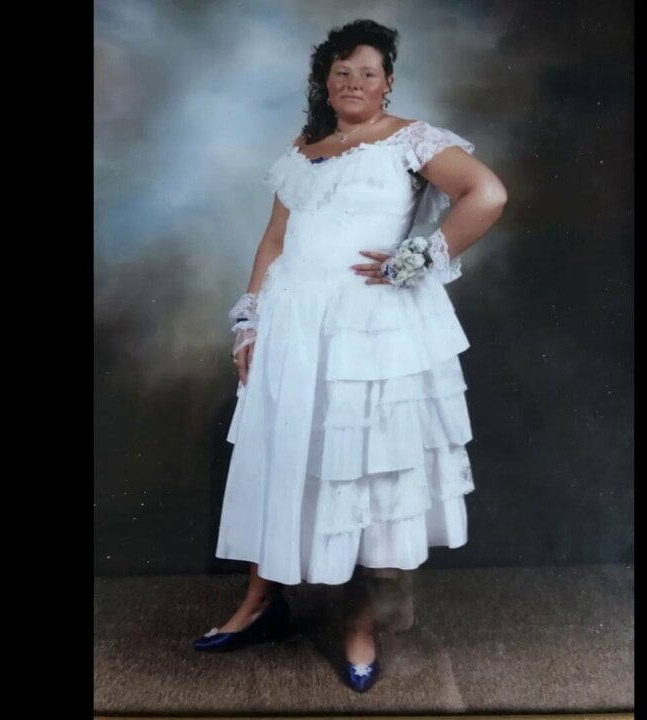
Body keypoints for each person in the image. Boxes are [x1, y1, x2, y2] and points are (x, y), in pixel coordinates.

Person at [194, 19, 507, 693]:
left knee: (362, 470)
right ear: (325, 83)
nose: (354, 82)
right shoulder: (304, 147)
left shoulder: (412, 140)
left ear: (387, 82)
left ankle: (359, 625)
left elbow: (487, 194)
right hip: (293, 326)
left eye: (368, 72)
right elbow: (275, 239)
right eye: (342, 72)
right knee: (284, 459)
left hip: (369, 330)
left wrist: (414, 260)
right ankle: (260, 604)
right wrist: (250, 320)